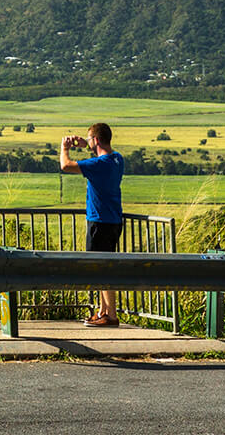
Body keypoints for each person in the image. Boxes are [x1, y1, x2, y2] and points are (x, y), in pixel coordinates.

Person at [60, 121, 125, 327]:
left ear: (96, 140)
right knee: (104, 266)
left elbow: (65, 166)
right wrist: (86, 144)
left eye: (90, 140)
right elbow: (99, 155)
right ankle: (103, 311)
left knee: (102, 269)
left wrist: (65, 148)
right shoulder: (117, 159)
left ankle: (111, 315)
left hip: (99, 222)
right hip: (114, 220)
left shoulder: (99, 164)